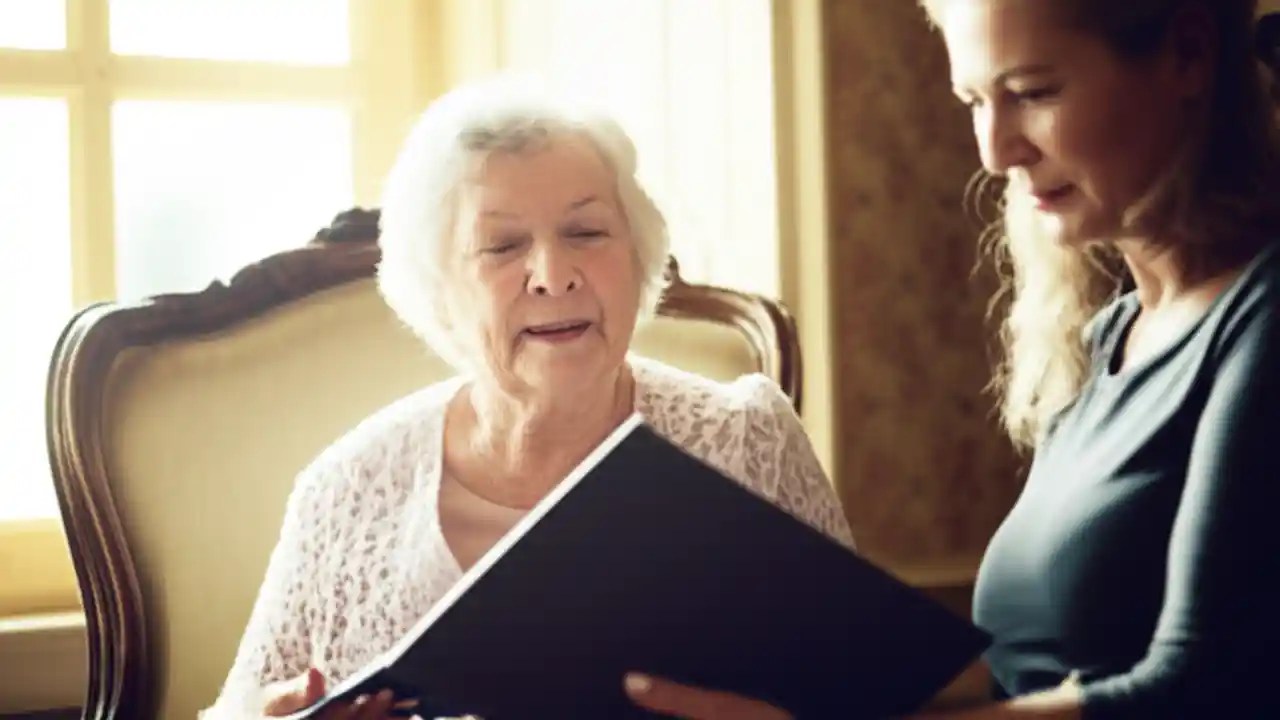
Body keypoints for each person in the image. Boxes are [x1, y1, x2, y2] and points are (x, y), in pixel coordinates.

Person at [624, 2, 1280, 718]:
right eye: (974, 101)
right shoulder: (1115, 334)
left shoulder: (1259, 318)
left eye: (1032, 93)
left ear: (1188, 54)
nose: (995, 152)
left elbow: (1199, 688)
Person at [198, 77, 855, 720]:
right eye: (503, 246)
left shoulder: (747, 443)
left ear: (639, 256)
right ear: (438, 288)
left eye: (588, 232)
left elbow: (868, 692)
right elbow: (239, 710)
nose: (553, 274)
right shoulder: (344, 495)